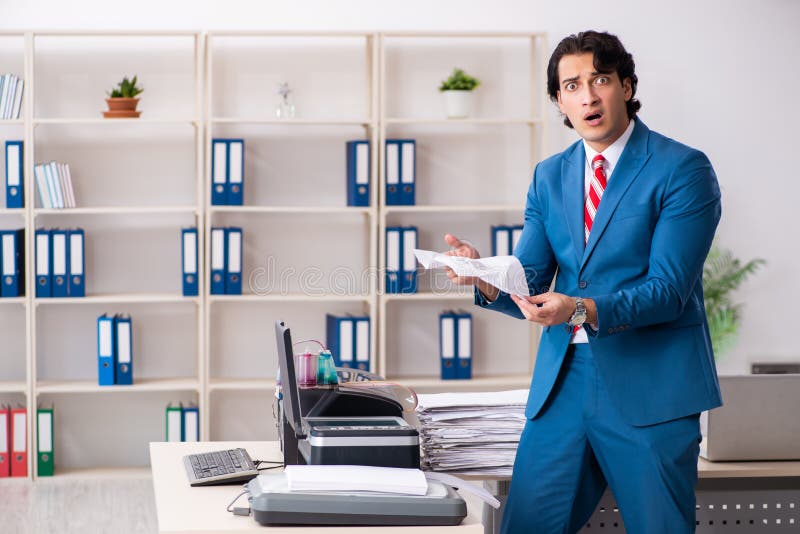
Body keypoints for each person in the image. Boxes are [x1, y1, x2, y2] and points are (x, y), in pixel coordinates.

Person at [444, 30, 722, 533]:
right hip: (563, 384)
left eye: (601, 80)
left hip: (651, 388)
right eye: (572, 85)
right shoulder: (549, 175)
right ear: (559, 100)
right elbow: (528, 279)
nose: (588, 96)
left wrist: (580, 309)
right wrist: (483, 275)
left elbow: (668, 290)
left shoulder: (682, 169)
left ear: (627, 86)